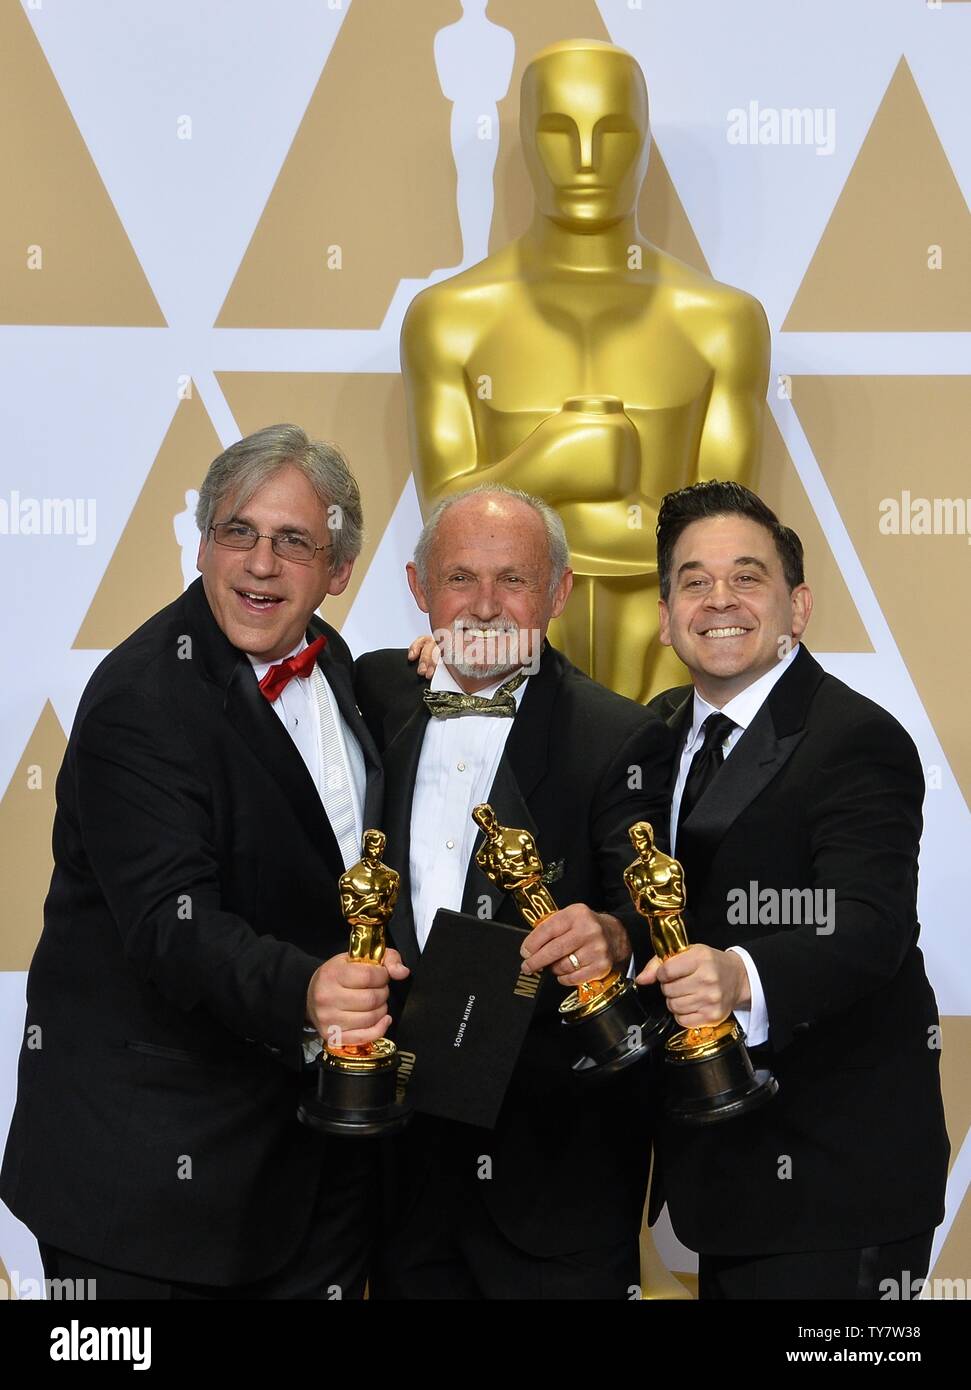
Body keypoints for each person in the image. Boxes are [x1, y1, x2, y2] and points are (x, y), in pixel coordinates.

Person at [0, 424, 408, 1299]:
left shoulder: (338, 669)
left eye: (294, 542)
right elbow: (172, 929)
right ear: (202, 542)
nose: (261, 564)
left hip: (312, 1169)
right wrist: (308, 990)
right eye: (238, 532)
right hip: (147, 1191)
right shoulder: (140, 700)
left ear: (338, 571)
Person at [354, 485, 675, 1299]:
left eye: (515, 580)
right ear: (419, 590)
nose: (486, 606)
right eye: (459, 578)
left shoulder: (619, 732)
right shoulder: (371, 694)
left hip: (554, 1169)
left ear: (560, 591)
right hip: (392, 1168)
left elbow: (652, 895)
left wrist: (612, 931)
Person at [636, 479, 949, 1300]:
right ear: (666, 614)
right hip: (721, 1181)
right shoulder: (654, 734)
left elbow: (868, 924)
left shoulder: (856, 740)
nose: (719, 601)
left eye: (747, 577)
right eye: (693, 582)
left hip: (836, 1186)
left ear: (797, 607)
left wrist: (739, 974)